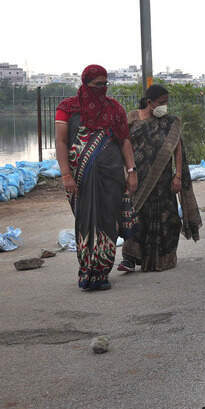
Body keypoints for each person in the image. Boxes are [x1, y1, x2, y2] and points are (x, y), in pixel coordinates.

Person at [55, 65, 137, 291]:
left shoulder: (114, 109)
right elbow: (61, 142)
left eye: (105, 84)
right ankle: (86, 272)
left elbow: (125, 141)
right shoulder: (68, 108)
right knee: (85, 223)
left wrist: (131, 171)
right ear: (85, 84)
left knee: (107, 222)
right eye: (97, 85)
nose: (102, 89)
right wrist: (65, 174)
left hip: (111, 176)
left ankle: (102, 273)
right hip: (79, 179)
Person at [117, 85, 202, 273]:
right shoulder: (132, 118)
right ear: (150, 102)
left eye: (166, 103)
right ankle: (130, 259)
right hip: (137, 180)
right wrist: (127, 172)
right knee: (136, 217)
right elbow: (124, 144)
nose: (165, 107)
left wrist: (178, 175)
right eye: (162, 103)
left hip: (163, 182)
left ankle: (164, 258)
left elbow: (178, 149)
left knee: (167, 220)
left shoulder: (170, 123)